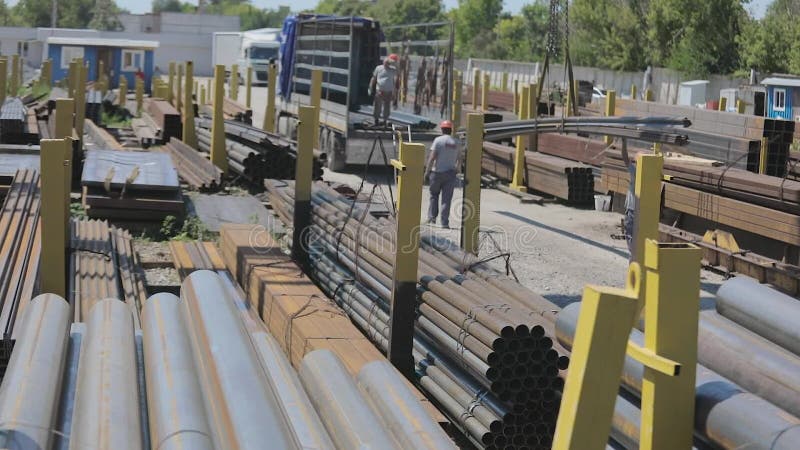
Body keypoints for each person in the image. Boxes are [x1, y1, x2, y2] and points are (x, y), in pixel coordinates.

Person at [425, 120, 460, 229]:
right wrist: (457, 171)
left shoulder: (438, 141)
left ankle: (432, 218)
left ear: (442, 129)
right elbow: (460, 159)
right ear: (451, 130)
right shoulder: (456, 142)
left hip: (437, 173)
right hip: (450, 174)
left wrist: (427, 172)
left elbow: (432, 157)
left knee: (434, 195)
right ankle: (445, 223)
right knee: (446, 199)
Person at [368, 54, 398, 126]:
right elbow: (373, 78)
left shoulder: (392, 70)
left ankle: (385, 120)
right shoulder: (378, 68)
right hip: (380, 91)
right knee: (377, 105)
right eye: (386, 62)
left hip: (388, 92)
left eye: (388, 62)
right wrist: (370, 87)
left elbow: (399, 71)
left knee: (387, 107)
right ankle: (376, 120)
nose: (387, 63)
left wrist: (395, 63)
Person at [620, 138, 637, 258]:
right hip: (642, 210)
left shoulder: (635, 172)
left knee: (630, 233)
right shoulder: (649, 174)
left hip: (632, 209)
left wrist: (624, 142)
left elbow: (625, 158)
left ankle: (633, 258)